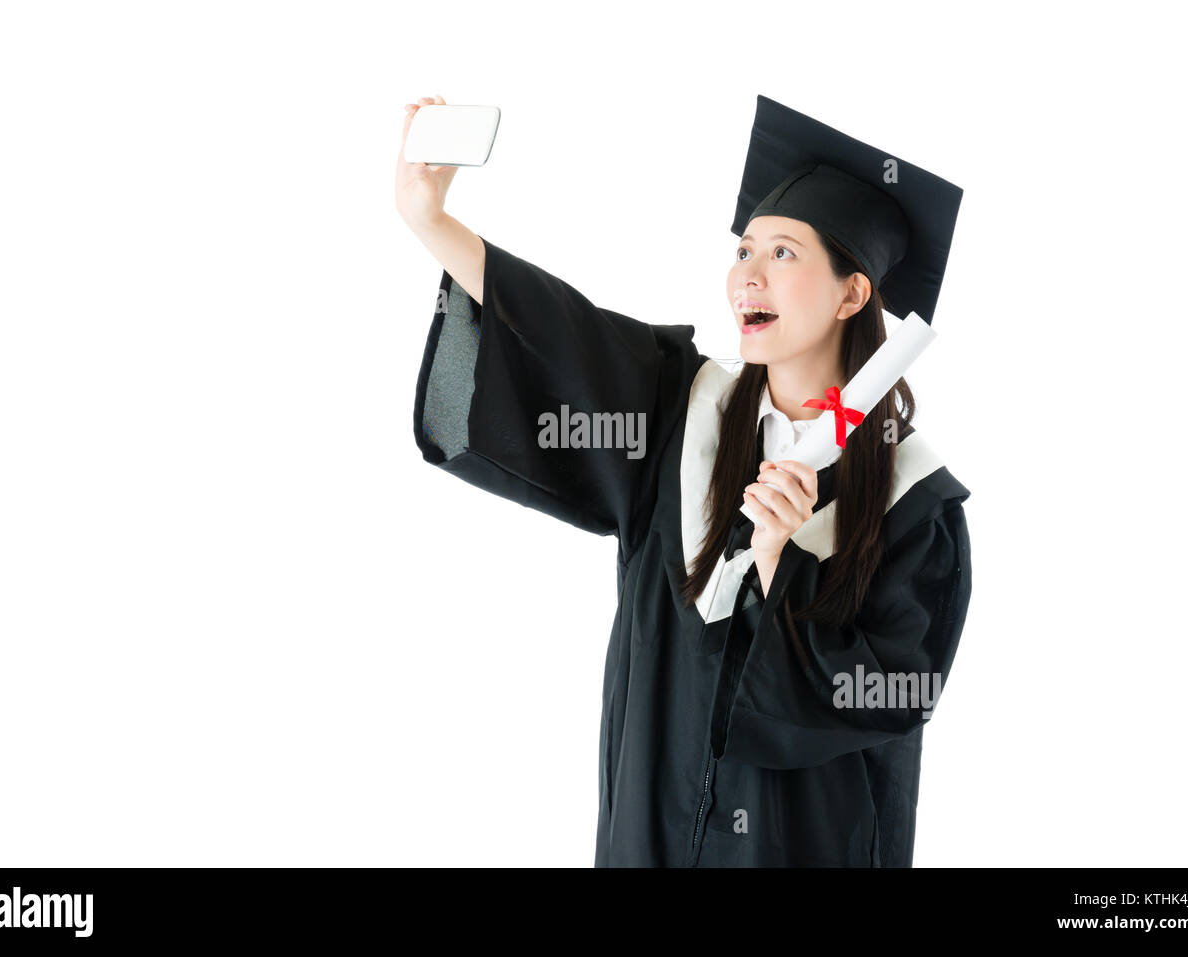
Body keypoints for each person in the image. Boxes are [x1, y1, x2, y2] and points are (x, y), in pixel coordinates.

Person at [396, 93, 972, 867]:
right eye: (743, 251)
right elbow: (563, 335)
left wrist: (782, 562)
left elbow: (892, 697)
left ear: (853, 292)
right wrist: (432, 221)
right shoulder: (676, 414)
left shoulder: (914, 503)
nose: (748, 277)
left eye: (783, 253)